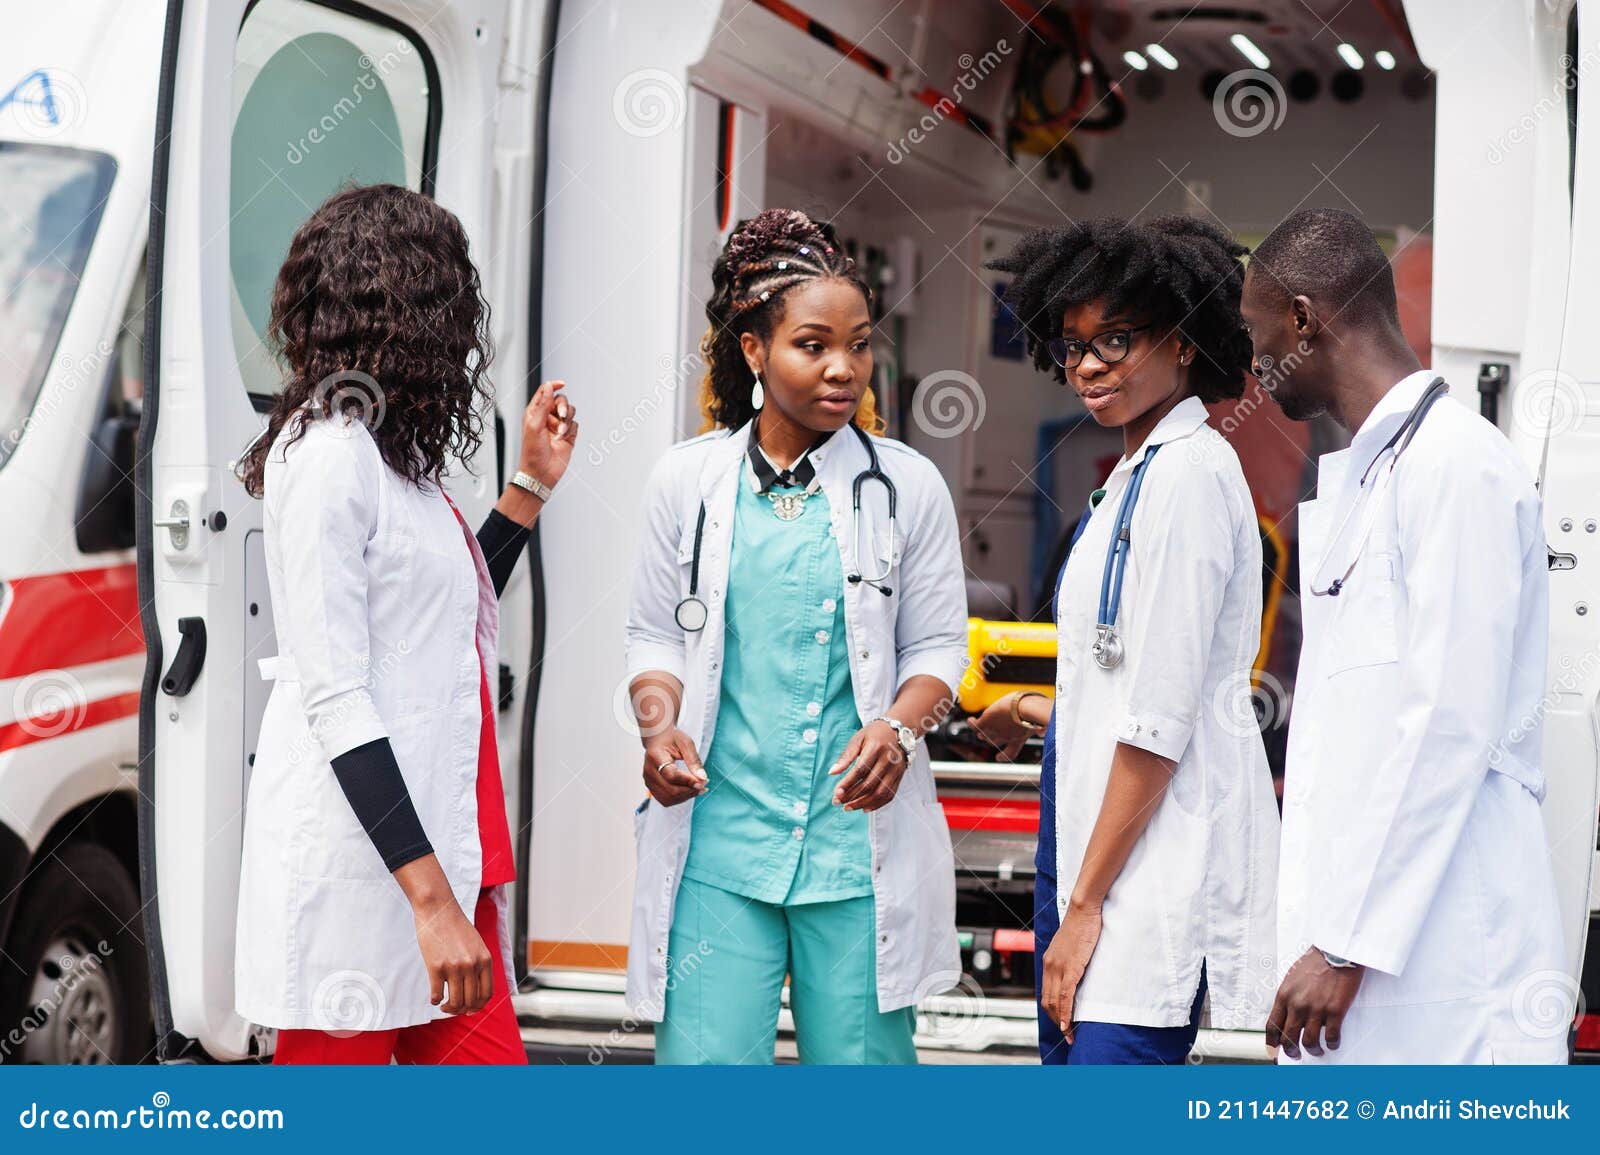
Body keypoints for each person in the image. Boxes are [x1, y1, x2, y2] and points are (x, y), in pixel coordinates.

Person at [234, 184, 579, 1064]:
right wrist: (429, 904)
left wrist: (528, 488)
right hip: (369, 872)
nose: (467, 331)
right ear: (411, 311)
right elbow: (337, 695)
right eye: (452, 300)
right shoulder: (325, 458)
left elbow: (452, 607)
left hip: (438, 850)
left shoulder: (401, 462)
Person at [623, 208, 969, 1064]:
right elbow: (654, 636)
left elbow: (937, 649)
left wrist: (896, 726)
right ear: (754, 352)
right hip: (720, 845)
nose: (843, 369)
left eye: (857, 344)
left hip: (857, 850)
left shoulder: (909, 487)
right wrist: (658, 724)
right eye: (813, 345)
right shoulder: (687, 480)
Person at [1242, 207, 1569, 1064]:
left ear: (1306, 320)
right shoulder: (1374, 472)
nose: (1253, 364)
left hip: (1439, 955)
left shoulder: (1458, 465)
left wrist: (1347, 941)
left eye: (1259, 333)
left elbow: (1447, 724)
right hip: (1367, 950)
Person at [974, 216, 1280, 1064]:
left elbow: (1159, 723)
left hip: (1137, 879)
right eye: (1071, 346)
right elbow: (1120, 676)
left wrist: (1083, 910)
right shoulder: (1129, 482)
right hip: (1086, 852)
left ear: (1182, 342)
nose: (1090, 364)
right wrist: (1037, 707)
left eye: (1116, 338)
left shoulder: (1187, 473)